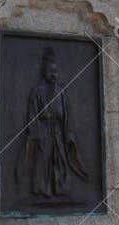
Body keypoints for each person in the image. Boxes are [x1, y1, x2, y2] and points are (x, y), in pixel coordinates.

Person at [18, 47, 88, 200]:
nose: (53, 73)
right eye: (50, 70)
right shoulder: (37, 91)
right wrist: (36, 130)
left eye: (55, 70)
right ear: (44, 71)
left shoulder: (61, 91)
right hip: (43, 132)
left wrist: (68, 133)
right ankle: (42, 190)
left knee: (61, 159)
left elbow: (67, 113)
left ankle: (62, 189)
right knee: (43, 161)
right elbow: (32, 115)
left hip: (58, 131)